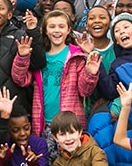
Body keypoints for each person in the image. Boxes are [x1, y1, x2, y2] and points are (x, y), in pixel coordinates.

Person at [11, 9, 101, 139]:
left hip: (70, 123)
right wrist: (22, 57)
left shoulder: (76, 56)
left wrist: (90, 73)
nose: (57, 30)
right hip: (43, 123)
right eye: (52, 26)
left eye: (61, 26)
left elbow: (85, 91)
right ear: (45, 31)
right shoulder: (40, 57)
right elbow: (20, 80)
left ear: (69, 30)